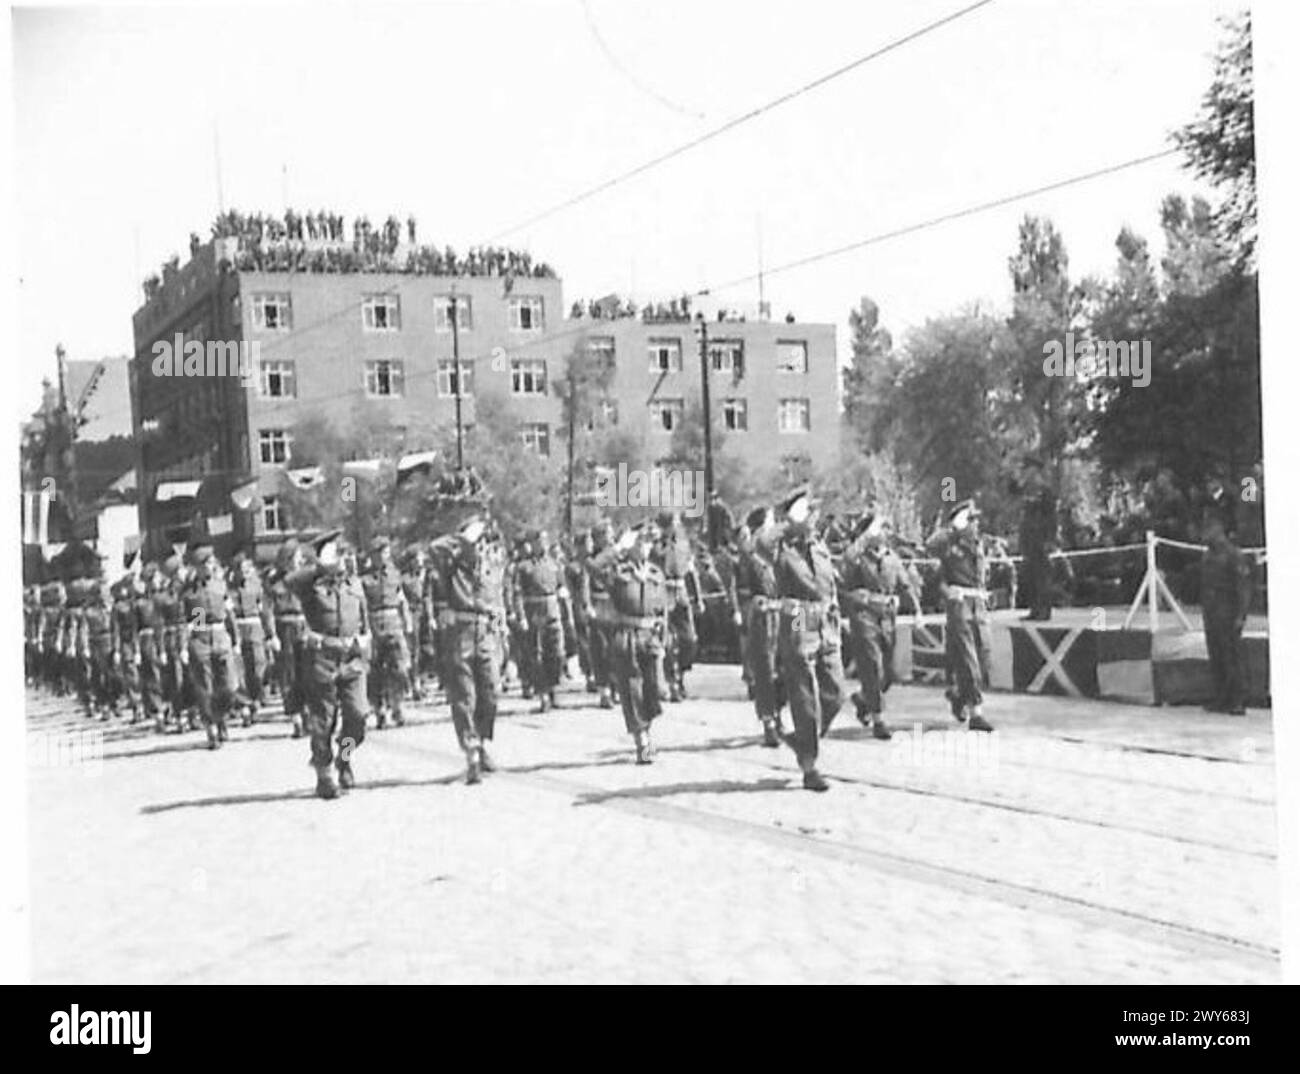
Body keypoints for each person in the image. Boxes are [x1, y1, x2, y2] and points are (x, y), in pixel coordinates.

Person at [287, 530, 371, 799]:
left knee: (357, 717)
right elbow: (289, 581)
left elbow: (364, 620)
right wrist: (318, 565)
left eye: (344, 554)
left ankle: (344, 758)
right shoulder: (310, 586)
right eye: (338, 554)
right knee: (323, 721)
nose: (344, 559)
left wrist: (365, 642)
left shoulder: (354, 585)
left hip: (352, 660)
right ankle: (324, 774)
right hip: (322, 658)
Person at [773, 487, 845, 791]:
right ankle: (810, 766)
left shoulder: (819, 546)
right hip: (800, 617)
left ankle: (802, 739)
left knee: (835, 692)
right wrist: (786, 523)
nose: (813, 517)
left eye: (812, 512)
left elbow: (831, 586)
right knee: (805, 693)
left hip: (825, 620)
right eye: (807, 512)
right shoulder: (780, 546)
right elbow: (758, 543)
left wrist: (838, 621)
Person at [433, 512, 505, 784]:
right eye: (477, 540)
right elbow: (434, 547)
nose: (481, 545)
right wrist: (462, 538)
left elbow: (496, 600)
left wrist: (500, 634)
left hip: (485, 633)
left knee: (490, 691)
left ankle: (482, 740)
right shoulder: (451, 565)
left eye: (482, 540)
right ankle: (472, 752)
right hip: (461, 634)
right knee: (466, 697)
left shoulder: (488, 567)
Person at [598, 522, 668, 764]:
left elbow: (663, 611)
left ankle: (646, 729)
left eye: (648, 543)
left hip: (650, 638)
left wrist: (664, 641)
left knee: (656, 690)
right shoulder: (618, 574)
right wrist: (617, 547)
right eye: (640, 542)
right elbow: (595, 567)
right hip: (627, 637)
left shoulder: (656, 574)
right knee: (632, 690)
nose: (645, 547)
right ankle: (643, 741)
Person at [929, 500, 995, 732]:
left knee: (984, 655)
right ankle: (976, 713)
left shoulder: (979, 544)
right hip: (959, 605)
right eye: (971, 519)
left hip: (979, 604)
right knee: (969, 659)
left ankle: (959, 693)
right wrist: (952, 529)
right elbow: (935, 567)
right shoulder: (948, 544)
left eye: (976, 519)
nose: (976, 523)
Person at [837, 511, 902, 740]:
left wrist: (913, 608)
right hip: (863, 615)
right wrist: (863, 537)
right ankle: (878, 719)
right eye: (879, 528)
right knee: (872, 666)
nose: (884, 532)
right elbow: (845, 562)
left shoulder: (890, 556)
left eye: (884, 528)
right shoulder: (858, 555)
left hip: (886, 616)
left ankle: (864, 699)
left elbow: (903, 583)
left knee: (890, 673)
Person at [180, 538, 241, 749]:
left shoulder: (220, 585)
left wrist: (236, 639)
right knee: (205, 688)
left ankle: (220, 715)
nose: (209, 567)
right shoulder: (190, 592)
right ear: (196, 567)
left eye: (211, 563)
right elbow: (190, 620)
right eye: (204, 564)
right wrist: (185, 646)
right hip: (202, 640)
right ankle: (211, 727)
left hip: (222, 637)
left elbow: (229, 612)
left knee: (230, 687)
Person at [735, 506, 787, 747]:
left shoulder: (782, 555)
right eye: (768, 523)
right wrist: (748, 615)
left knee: (789, 667)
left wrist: (802, 627)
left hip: (786, 619)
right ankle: (769, 721)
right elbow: (743, 594)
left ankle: (781, 712)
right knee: (765, 671)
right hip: (763, 620)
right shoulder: (749, 558)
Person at [1200, 514, 1254, 715]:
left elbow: (1243, 587)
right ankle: (1221, 697)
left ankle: (1238, 699)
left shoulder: (1233, 555)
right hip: (1211, 609)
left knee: (1232, 655)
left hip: (1227, 608)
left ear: (1218, 530)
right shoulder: (1207, 555)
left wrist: (1241, 614)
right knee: (1216, 654)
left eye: (1209, 530)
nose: (1205, 535)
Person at [512, 528, 566, 712]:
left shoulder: (554, 564)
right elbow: (517, 593)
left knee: (557, 653)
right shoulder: (524, 567)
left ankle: (554, 687)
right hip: (534, 613)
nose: (543, 544)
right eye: (539, 541)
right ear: (532, 544)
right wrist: (520, 616)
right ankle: (543, 693)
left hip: (553, 611)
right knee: (537, 655)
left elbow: (561, 586)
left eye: (545, 540)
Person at [361, 535, 412, 729]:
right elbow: (362, 606)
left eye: (386, 552)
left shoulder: (395, 574)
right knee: (375, 671)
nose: (384, 556)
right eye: (380, 553)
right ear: (373, 556)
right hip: (374, 626)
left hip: (394, 625)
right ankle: (379, 709)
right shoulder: (364, 578)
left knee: (399, 668)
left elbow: (401, 599)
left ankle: (397, 705)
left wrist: (407, 621)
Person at [653, 511, 702, 701]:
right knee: (666, 641)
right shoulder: (656, 548)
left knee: (689, 639)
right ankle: (672, 681)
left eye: (677, 523)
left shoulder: (684, 545)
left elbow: (691, 573)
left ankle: (681, 673)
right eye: (672, 524)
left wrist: (697, 598)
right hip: (663, 594)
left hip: (681, 593)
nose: (676, 527)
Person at [229, 552, 276, 727]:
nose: (246, 572)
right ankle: (245, 706)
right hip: (236, 629)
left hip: (255, 628)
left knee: (258, 665)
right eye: (242, 569)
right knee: (240, 670)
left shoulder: (258, 587)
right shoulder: (228, 588)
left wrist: (270, 634)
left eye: (248, 569)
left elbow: (265, 612)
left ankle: (257, 697)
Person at [268, 540, 308, 738]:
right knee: (289, 674)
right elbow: (267, 611)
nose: (300, 560)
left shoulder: (306, 579)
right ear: (287, 560)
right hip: (285, 630)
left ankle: (309, 713)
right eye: (297, 557)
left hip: (305, 627)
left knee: (308, 672)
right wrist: (272, 635)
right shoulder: (275, 583)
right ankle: (296, 718)